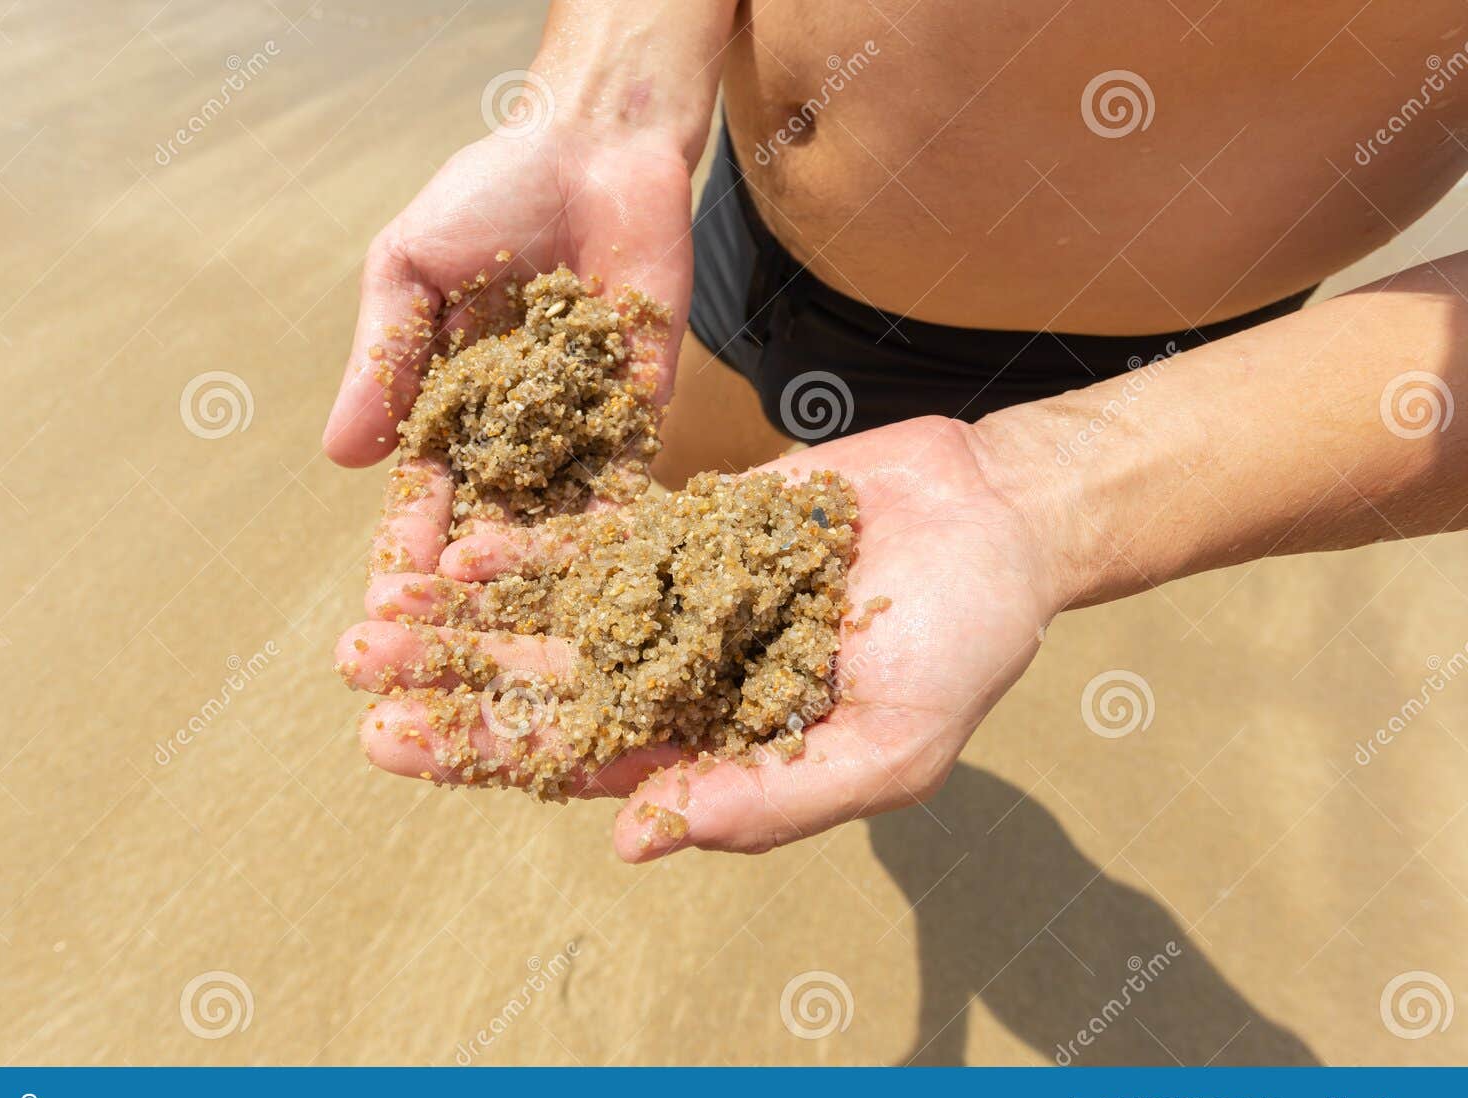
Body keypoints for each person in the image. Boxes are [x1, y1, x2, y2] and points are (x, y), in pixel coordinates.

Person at [324, 1, 1468, 861]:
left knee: (847, 612)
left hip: (1145, 357)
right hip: (730, 234)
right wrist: (599, 106)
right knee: (631, 519)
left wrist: (1047, 491)